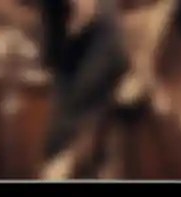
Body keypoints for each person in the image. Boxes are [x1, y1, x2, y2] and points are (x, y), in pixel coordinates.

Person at [37, 0, 131, 177]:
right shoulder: (55, 22)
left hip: (85, 156)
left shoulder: (110, 42)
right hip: (57, 148)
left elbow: (101, 117)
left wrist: (69, 159)